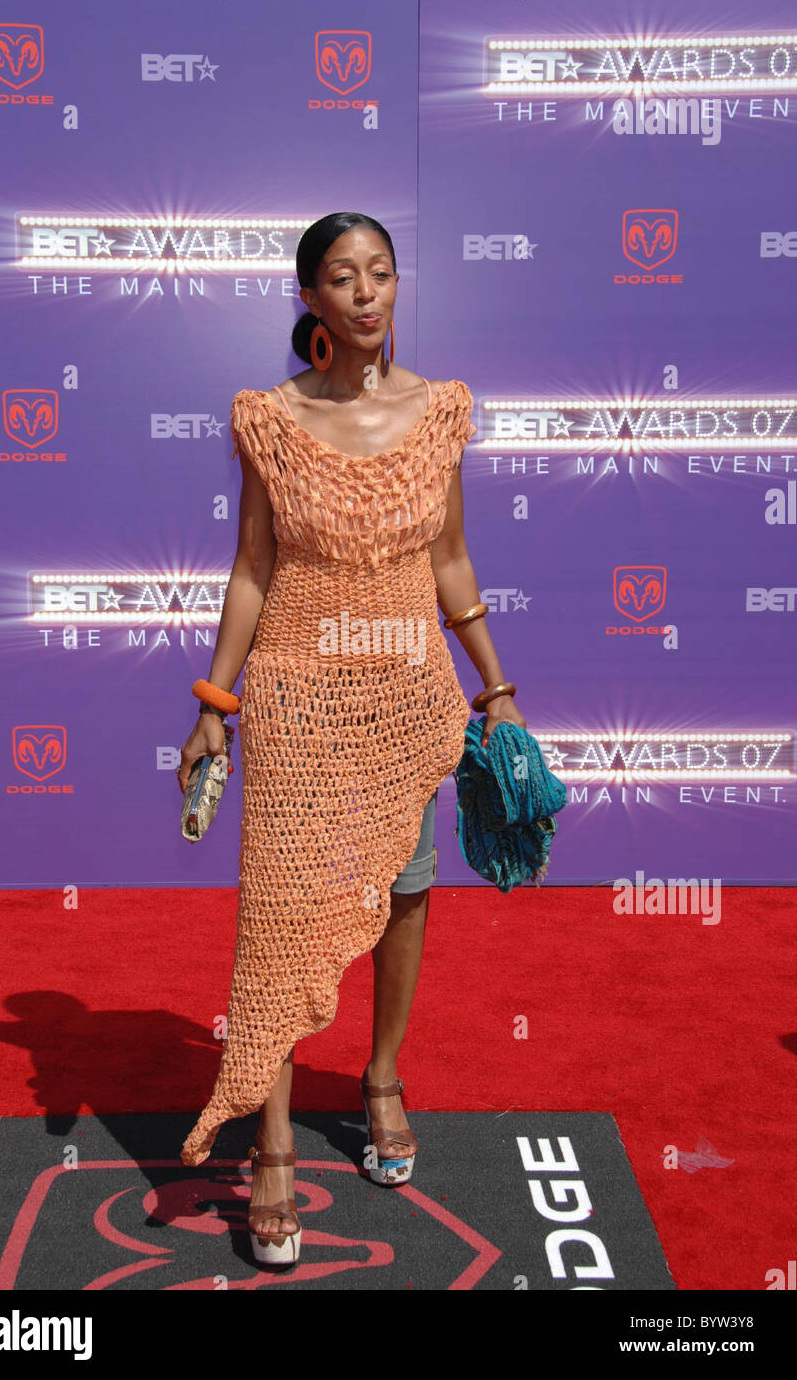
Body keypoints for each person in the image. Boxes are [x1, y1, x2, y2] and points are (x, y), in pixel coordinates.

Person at [176, 211, 526, 1266]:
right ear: (310, 300)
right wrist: (214, 701)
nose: (368, 292)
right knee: (280, 908)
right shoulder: (268, 421)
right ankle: (273, 1144)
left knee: (404, 887)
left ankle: (379, 1076)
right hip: (292, 687)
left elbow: (452, 562)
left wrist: (493, 687)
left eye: (380, 272)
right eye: (343, 276)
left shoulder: (438, 412)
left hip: (404, 693)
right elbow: (252, 569)